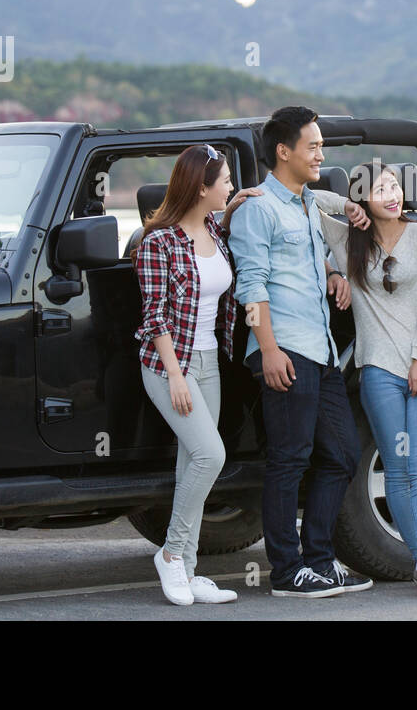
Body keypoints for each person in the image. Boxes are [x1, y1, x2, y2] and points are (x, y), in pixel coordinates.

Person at [227, 106, 376, 598]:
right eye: (312, 147)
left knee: (342, 455)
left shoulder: (309, 204)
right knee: (290, 459)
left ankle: (320, 561)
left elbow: (308, 257)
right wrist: (268, 349)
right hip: (285, 348)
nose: (320, 155)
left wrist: (333, 274)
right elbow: (251, 287)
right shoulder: (258, 209)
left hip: (321, 349)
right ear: (283, 151)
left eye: (321, 147)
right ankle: (287, 572)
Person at [308, 161, 417, 598]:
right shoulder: (346, 241)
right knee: (397, 467)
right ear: (363, 199)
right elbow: (301, 198)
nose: (392, 195)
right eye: (380, 189)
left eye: (394, 185)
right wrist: (345, 206)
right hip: (378, 370)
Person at [135, 143, 259, 606]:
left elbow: (215, 262)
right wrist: (175, 375)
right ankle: (170, 554)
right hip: (171, 365)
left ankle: (187, 571)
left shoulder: (212, 228)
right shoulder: (158, 242)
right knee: (211, 456)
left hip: (209, 361)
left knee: (192, 464)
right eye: (225, 181)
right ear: (201, 187)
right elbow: (154, 316)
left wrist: (234, 207)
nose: (230, 186)